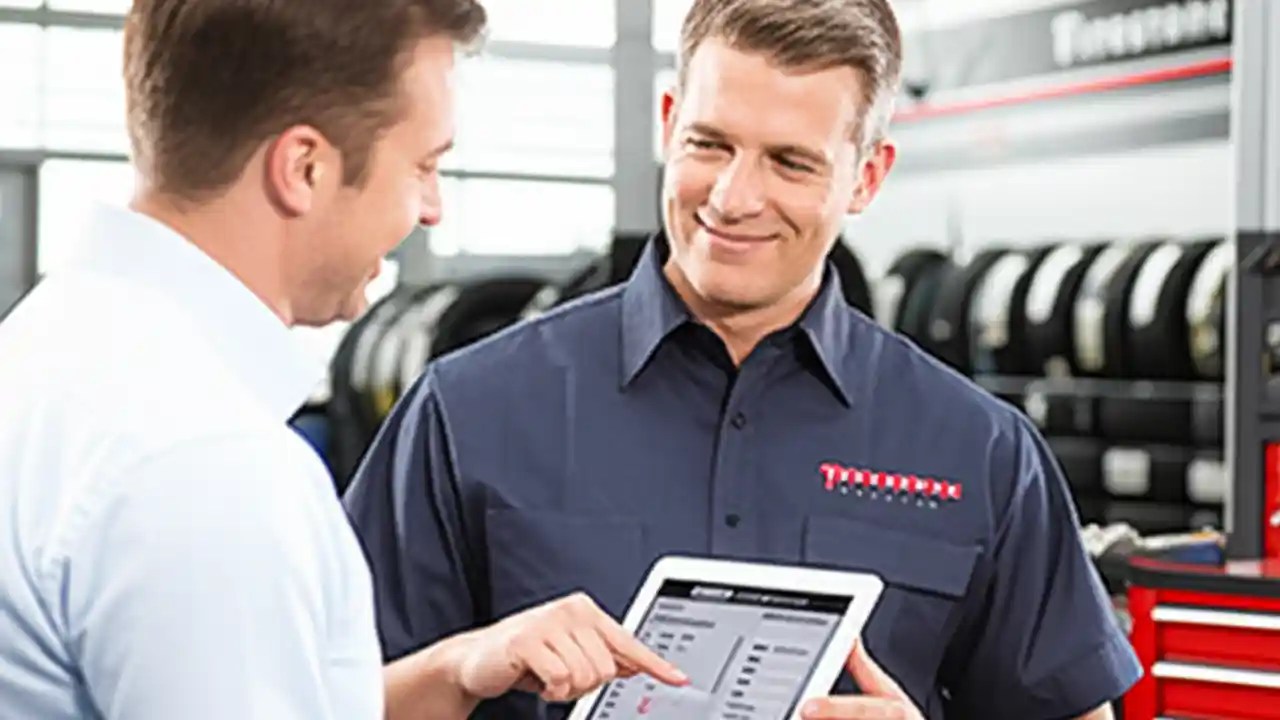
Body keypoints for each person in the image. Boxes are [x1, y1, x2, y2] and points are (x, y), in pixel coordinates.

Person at [342, 0, 1145, 718]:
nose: (732, 196)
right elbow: (315, 700)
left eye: (789, 162)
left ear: (866, 176)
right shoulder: (468, 412)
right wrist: (464, 666)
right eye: (709, 143)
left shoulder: (981, 451)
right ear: (667, 123)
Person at [0, 1, 689, 718]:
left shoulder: (50, 353)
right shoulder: (208, 461)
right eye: (423, 165)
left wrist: (454, 671)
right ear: (304, 168)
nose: (431, 208)